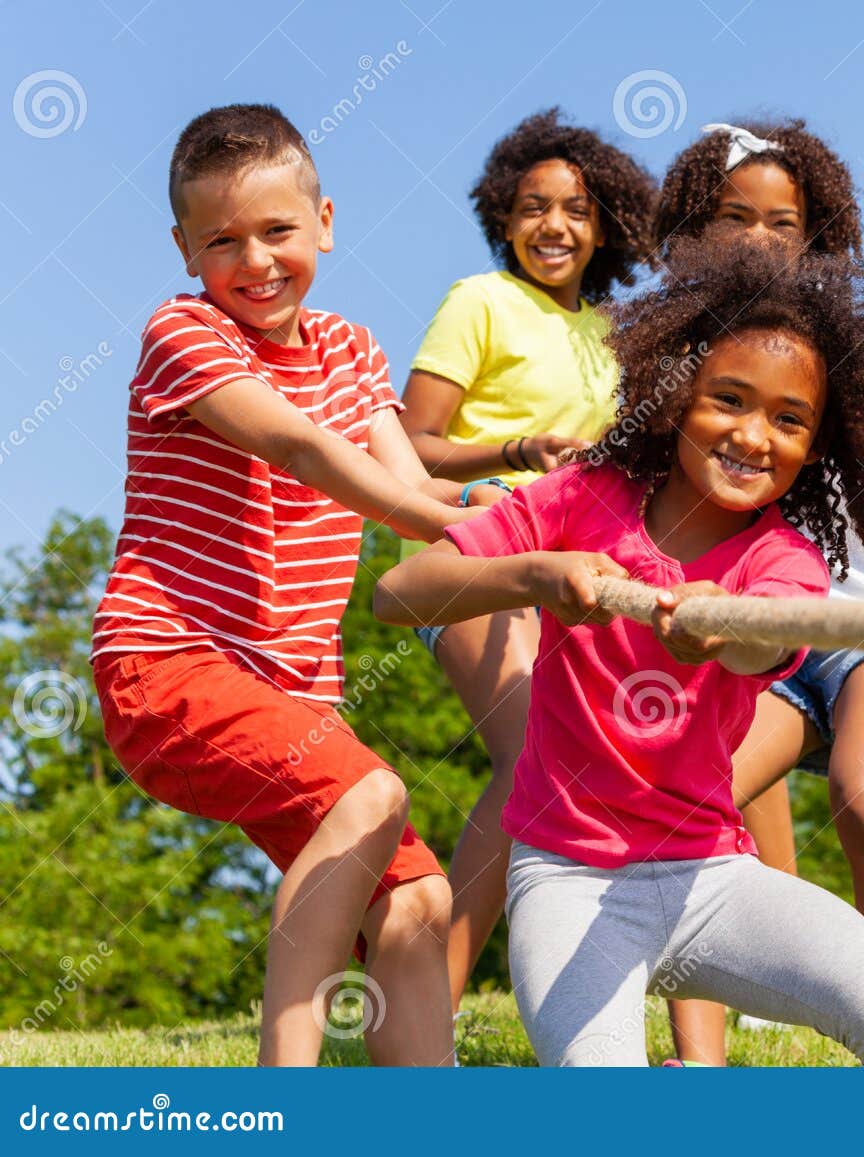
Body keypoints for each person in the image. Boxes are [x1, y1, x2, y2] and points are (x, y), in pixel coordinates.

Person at [374, 239, 864, 1066]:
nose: (753, 435)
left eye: (789, 419)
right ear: (679, 393)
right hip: (566, 879)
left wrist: (725, 628)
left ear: (817, 446)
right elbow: (399, 593)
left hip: (711, 878)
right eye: (729, 399)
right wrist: (534, 573)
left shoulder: (786, 559)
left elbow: (767, 644)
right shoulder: (582, 497)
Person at [92, 104, 480, 1066]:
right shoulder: (182, 332)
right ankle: (281, 1098)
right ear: (184, 249)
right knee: (373, 792)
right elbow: (299, 446)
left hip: (293, 699)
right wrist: (447, 519)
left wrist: (531, 509)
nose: (255, 261)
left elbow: (415, 493)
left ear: (325, 223)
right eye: (222, 240)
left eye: (278, 230)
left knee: (418, 900)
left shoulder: (352, 352)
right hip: (168, 666)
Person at [656, 120, 864, 1064]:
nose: (757, 238)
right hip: (764, 636)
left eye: (782, 224)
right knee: (685, 807)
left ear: (814, 242)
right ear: (693, 232)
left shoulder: (840, 339)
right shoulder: (669, 353)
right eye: (732, 216)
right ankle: (700, 1062)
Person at [397, 109, 656, 1008]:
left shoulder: (614, 333)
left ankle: (591, 989)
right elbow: (410, 445)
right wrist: (514, 452)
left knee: (586, 775)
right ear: (503, 218)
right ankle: (429, 1007)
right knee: (528, 755)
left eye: (578, 210)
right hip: (473, 542)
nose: (555, 225)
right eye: (534, 206)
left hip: (571, 573)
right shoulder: (479, 300)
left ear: (605, 228)